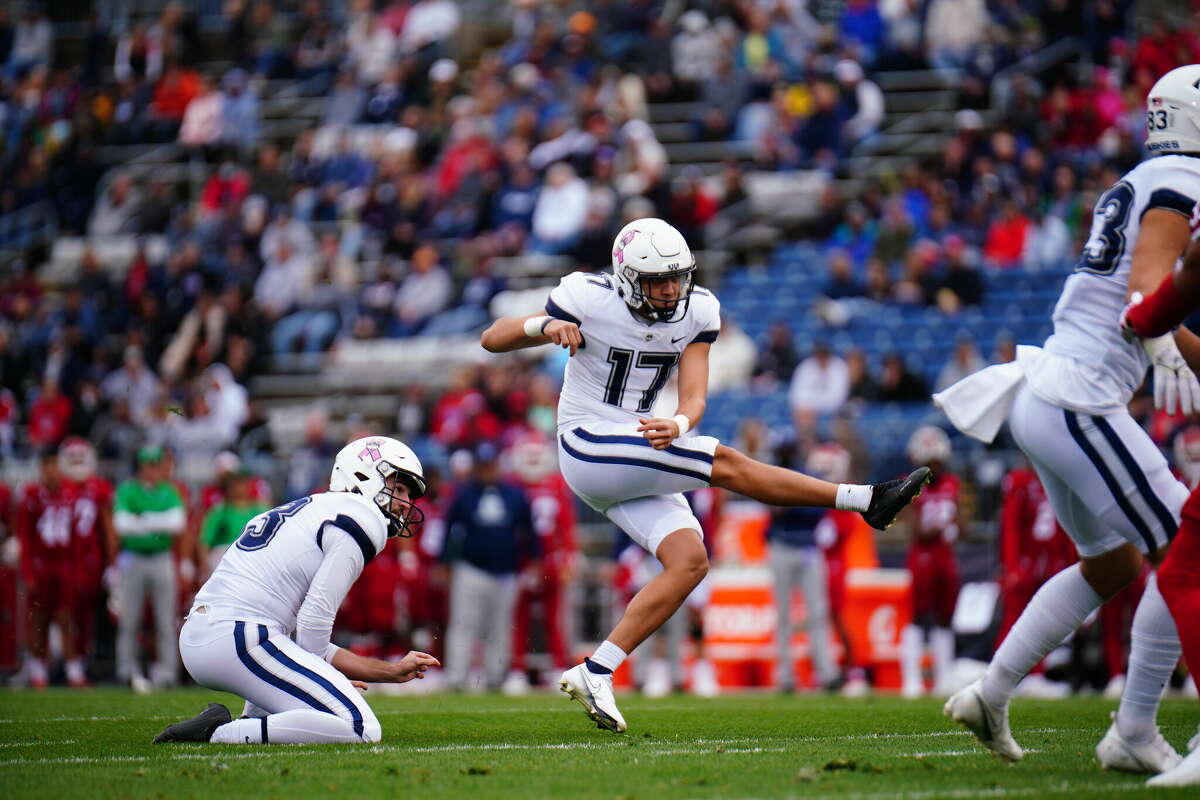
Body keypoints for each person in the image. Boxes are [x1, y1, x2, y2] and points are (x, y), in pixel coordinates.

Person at [480, 217, 930, 732]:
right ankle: (866, 500)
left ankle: (597, 670)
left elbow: (693, 396)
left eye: (677, 277)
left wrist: (679, 421)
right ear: (627, 277)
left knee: (690, 561)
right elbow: (492, 339)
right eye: (658, 280)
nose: (672, 289)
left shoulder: (698, 310)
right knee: (725, 463)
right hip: (587, 441)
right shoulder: (586, 295)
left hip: (642, 440)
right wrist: (543, 326)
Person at [938, 66, 1200, 774]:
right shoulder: (1181, 183)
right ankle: (1135, 726)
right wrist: (1169, 346)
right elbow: (1148, 292)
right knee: (1188, 552)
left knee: (1112, 562)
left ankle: (990, 693)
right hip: (1077, 396)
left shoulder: (1142, 180)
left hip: (1049, 391)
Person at [154, 437, 440, 745]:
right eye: (398, 488)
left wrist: (389, 671)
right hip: (239, 634)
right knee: (360, 728)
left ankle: (246, 724)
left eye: (408, 494)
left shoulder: (317, 507)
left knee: (282, 718)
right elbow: (314, 621)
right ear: (362, 474)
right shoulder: (362, 515)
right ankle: (215, 733)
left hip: (222, 632)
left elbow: (298, 635)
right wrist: (319, 676)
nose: (403, 503)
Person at [441, 443, 539, 691]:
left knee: (500, 627)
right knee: (463, 624)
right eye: (483, 466)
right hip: (471, 568)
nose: (487, 470)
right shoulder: (463, 494)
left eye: (491, 465)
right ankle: (456, 678)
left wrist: (534, 562)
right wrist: (444, 563)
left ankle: (496, 678)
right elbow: (449, 530)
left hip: (506, 571)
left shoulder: (515, 495)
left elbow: (530, 531)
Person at [113, 446, 187, 692]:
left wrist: (142, 520)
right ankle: (126, 670)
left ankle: (168, 672)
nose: (153, 470)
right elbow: (121, 525)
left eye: (156, 465)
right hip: (133, 557)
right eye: (149, 465)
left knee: (165, 619)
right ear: (141, 467)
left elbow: (177, 524)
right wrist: (157, 522)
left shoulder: (169, 490)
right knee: (129, 618)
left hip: (161, 557)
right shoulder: (128, 489)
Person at [767, 441, 837, 692]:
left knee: (817, 612)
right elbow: (772, 510)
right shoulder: (768, 474)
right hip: (782, 546)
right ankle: (785, 676)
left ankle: (826, 672)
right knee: (783, 614)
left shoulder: (807, 476)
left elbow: (817, 511)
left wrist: (787, 503)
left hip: (807, 546)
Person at [899, 427, 962, 698]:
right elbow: (916, 529)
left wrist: (955, 525)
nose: (934, 467)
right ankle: (911, 678)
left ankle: (944, 677)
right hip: (922, 555)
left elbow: (964, 523)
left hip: (944, 555)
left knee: (945, 615)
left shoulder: (952, 483)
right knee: (918, 614)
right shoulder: (910, 485)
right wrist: (941, 527)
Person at [15, 451, 79, 689]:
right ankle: (37, 668)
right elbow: (25, 535)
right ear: (42, 468)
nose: (52, 470)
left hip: (62, 563)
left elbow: (76, 537)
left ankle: (73, 669)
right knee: (39, 618)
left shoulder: (69, 493)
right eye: (48, 465)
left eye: (55, 465)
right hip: (41, 563)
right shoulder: (31, 495)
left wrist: (76, 567)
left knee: (65, 617)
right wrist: (28, 571)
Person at [59, 437, 114, 685]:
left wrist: (112, 563)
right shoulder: (57, 487)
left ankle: (82, 663)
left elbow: (107, 528)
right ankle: (66, 665)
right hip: (61, 560)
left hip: (90, 561)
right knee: (64, 613)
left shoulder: (98, 488)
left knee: (87, 616)